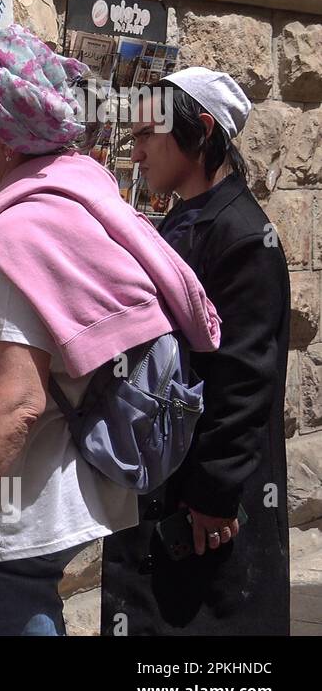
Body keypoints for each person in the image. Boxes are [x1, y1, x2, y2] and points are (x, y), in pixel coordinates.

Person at [0, 25, 223, 636]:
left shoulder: (23, 234)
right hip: (30, 499)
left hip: (20, 511)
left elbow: (19, 404)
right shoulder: (72, 198)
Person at [101, 67, 291, 635]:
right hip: (164, 486)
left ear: (201, 130)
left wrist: (213, 495)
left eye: (144, 136)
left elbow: (244, 378)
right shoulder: (182, 220)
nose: (134, 154)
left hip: (205, 507)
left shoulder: (242, 237)